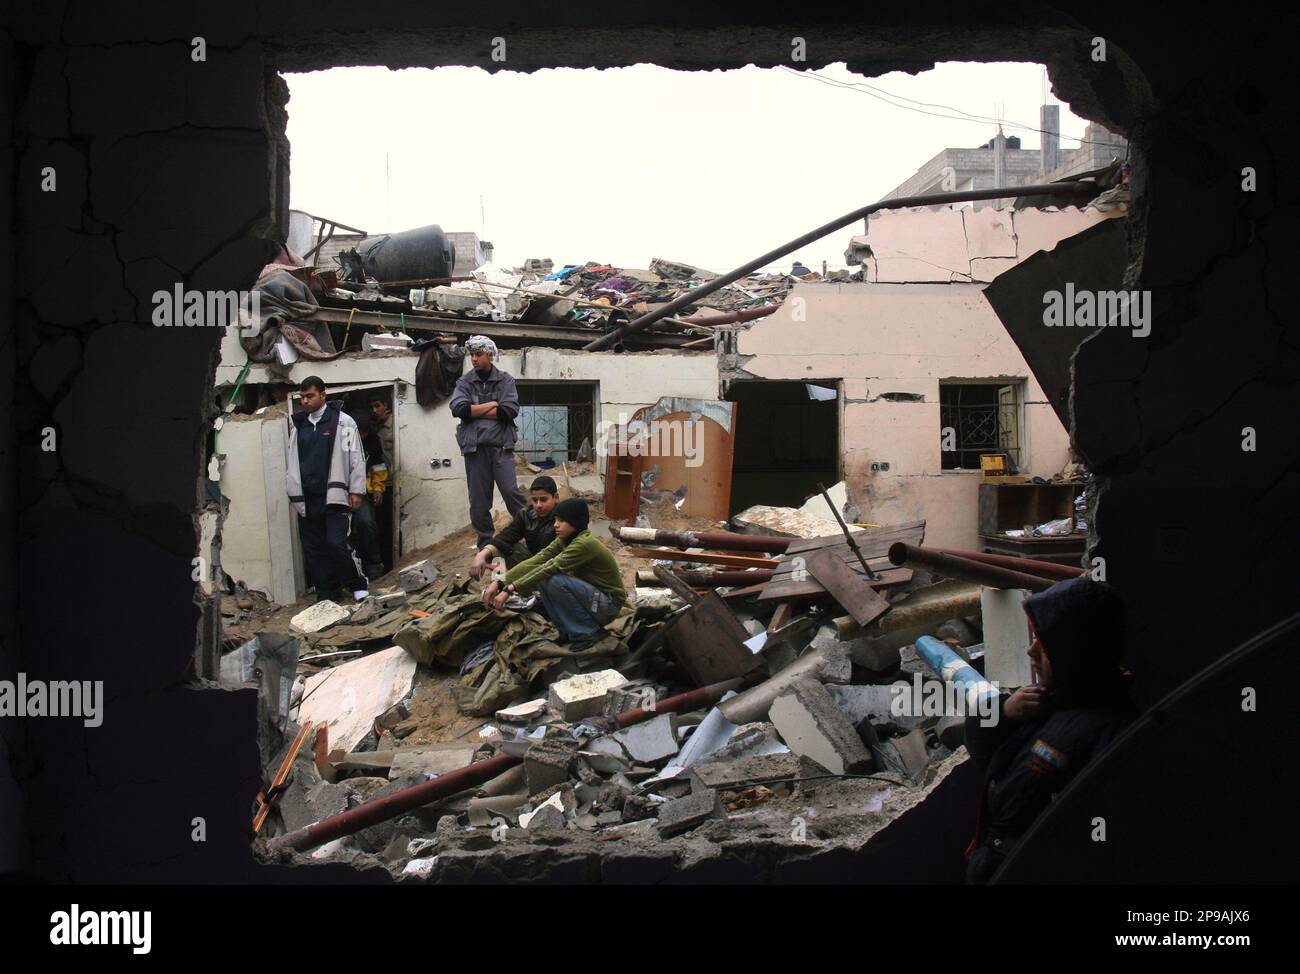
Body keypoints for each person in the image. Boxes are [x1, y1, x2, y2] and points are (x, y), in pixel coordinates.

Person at [963, 576, 1136, 884]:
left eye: (1042, 644)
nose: (1031, 652)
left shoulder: (1114, 734)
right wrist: (1003, 712)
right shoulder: (1048, 701)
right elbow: (982, 751)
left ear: (1075, 653)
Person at [482, 498, 627, 647]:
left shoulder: (584, 544)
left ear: (575, 522)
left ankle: (589, 632)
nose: (556, 525)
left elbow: (550, 567)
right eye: (556, 520)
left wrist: (510, 588)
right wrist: (500, 581)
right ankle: (567, 631)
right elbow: (537, 560)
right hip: (594, 599)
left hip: (608, 605)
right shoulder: (565, 540)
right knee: (543, 579)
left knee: (555, 580)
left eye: (562, 521)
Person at [285, 376, 369, 603]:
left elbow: (355, 457)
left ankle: (357, 585)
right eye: (302, 397)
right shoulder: (299, 427)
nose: (305, 401)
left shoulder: (342, 423)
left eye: (310, 396)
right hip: (308, 499)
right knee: (314, 549)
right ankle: (327, 593)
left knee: (337, 543)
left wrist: (356, 490)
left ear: (323, 395)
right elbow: (293, 462)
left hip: (335, 496)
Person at [448, 335, 528, 546]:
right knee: (479, 501)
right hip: (475, 448)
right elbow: (459, 409)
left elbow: (509, 410)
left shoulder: (505, 380)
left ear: (490, 355)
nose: (474, 359)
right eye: (472, 354)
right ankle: (485, 543)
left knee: (511, 492)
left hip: (501, 446)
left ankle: (532, 532)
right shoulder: (464, 382)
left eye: (478, 354)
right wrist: (492, 404)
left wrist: (475, 411)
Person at [468, 475, 559, 579]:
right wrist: (481, 555)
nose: (538, 505)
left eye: (543, 500)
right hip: (532, 562)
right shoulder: (526, 515)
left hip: (555, 568)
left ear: (556, 497)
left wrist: (511, 574)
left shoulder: (564, 517)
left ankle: (509, 583)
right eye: (534, 500)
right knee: (498, 548)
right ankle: (501, 585)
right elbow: (506, 536)